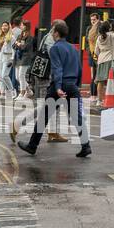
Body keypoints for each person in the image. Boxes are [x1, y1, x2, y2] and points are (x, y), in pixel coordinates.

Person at [18, 19, 91, 159]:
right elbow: (79, 68)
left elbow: (57, 69)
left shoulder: (55, 48)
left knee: (44, 116)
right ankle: (86, 146)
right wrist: (77, 85)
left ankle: (32, 146)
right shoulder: (73, 48)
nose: (51, 33)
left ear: (56, 33)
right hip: (72, 85)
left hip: (60, 85)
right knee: (77, 117)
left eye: (53, 31)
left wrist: (57, 87)